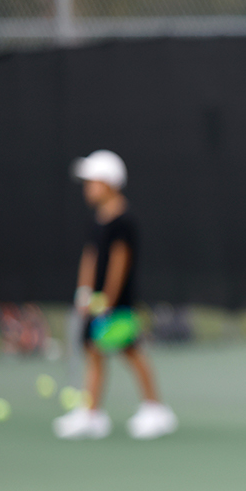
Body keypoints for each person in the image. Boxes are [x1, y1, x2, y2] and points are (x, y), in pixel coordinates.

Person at [52, 150, 178, 441]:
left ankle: (156, 409)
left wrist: (108, 300)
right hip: (96, 302)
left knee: (130, 351)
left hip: (117, 303)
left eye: (92, 182)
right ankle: (92, 414)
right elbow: (91, 258)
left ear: (109, 183)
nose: (87, 188)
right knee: (94, 352)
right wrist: (84, 293)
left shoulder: (124, 221)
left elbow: (119, 264)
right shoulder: (97, 220)